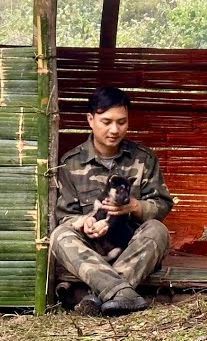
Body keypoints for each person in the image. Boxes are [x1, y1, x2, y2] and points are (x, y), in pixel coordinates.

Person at [50, 87, 174, 316]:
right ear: (90, 120)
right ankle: (123, 294)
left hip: (130, 249)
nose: (115, 130)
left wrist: (135, 206)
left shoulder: (144, 159)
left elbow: (162, 205)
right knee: (60, 236)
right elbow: (65, 216)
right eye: (106, 122)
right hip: (92, 251)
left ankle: (98, 294)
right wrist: (84, 222)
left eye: (121, 122)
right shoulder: (71, 163)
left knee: (158, 230)